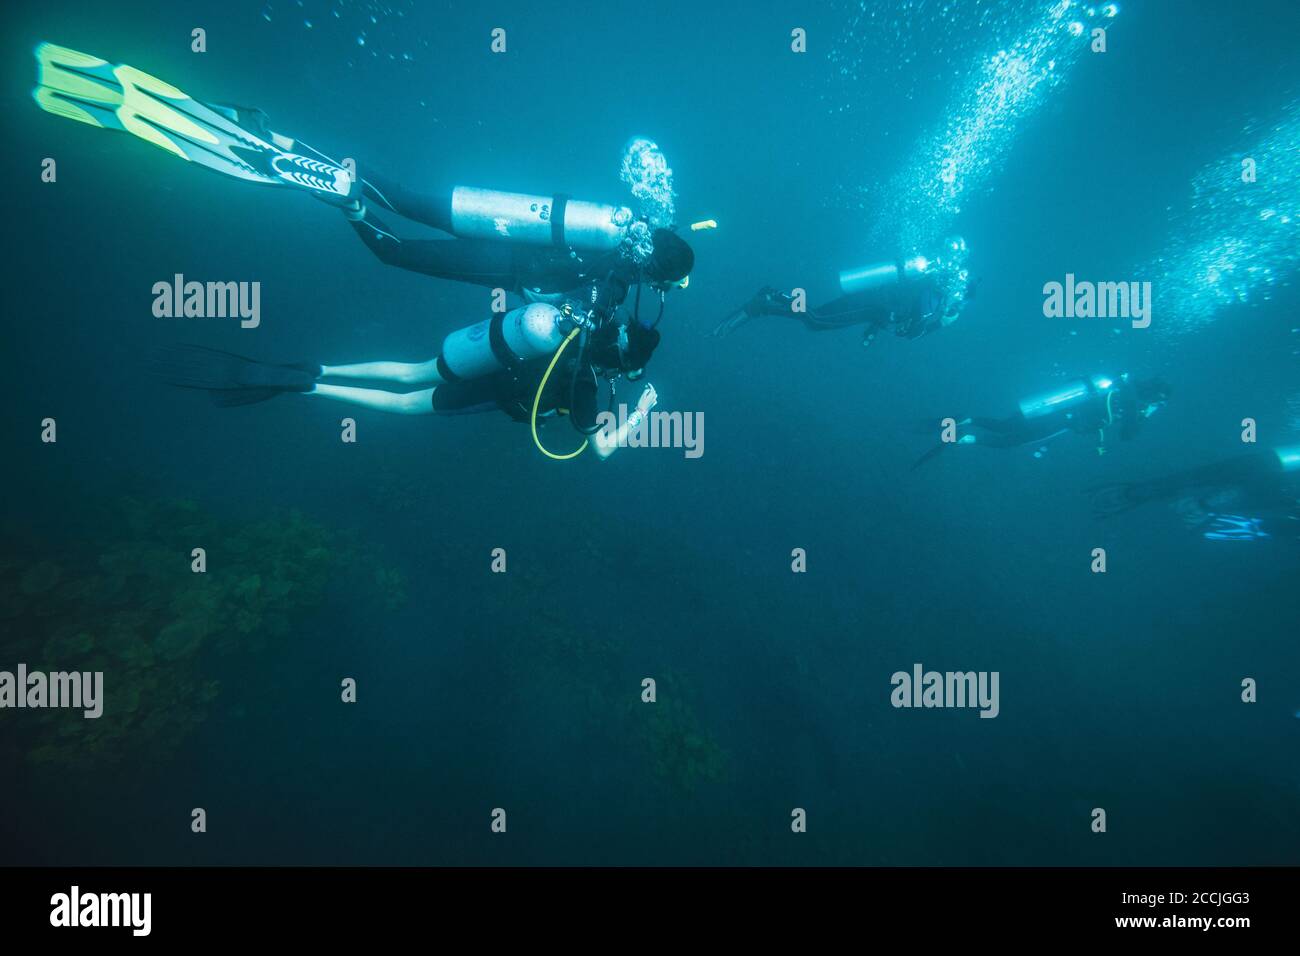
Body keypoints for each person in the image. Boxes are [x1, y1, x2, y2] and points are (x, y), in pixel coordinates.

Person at [34, 42, 693, 459]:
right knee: (404, 325)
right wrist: (639, 411)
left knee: (405, 198)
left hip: (497, 224)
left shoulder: (619, 246)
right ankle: (320, 345)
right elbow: (598, 443)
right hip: (499, 281)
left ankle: (341, 175)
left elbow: (635, 167)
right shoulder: (592, 356)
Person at [714, 237, 972, 345]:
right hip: (871, 304)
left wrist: (873, 328)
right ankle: (770, 300)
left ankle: (769, 301)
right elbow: (911, 331)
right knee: (816, 320)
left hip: (871, 303)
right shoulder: (935, 297)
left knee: (816, 320)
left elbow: (900, 304)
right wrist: (943, 323)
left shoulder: (928, 284)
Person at [912, 372, 1170, 468]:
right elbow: (1127, 435)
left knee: (1005, 425)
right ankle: (960, 436)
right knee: (1007, 443)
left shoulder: (1120, 385)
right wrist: (1148, 414)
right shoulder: (1131, 404)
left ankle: (965, 418)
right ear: (1154, 396)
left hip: (1046, 408)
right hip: (1059, 422)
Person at [1089, 445, 1300, 542]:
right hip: (1277, 473)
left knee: (1205, 476)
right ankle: (1200, 507)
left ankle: (1139, 492)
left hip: (1275, 462)